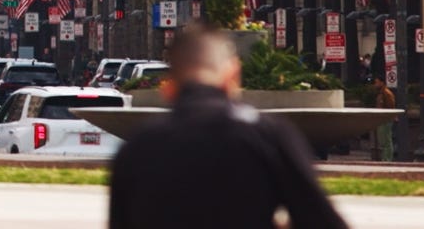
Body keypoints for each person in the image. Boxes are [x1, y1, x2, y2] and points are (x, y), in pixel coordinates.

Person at [108, 23, 346, 229]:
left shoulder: (137, 148)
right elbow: (322, 220)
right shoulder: (268, 136)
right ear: (233, 75)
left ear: (169, 88)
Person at [370, 74, 397, 161]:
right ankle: (385, 158)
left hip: (385, 119)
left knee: (386, 140)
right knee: (383, 141)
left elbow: (391, 106)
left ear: (382, 83)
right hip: (382, 119)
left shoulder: (387, 93)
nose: (375, 84)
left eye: (377, 82)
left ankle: (387, 159)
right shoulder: (381, 93)